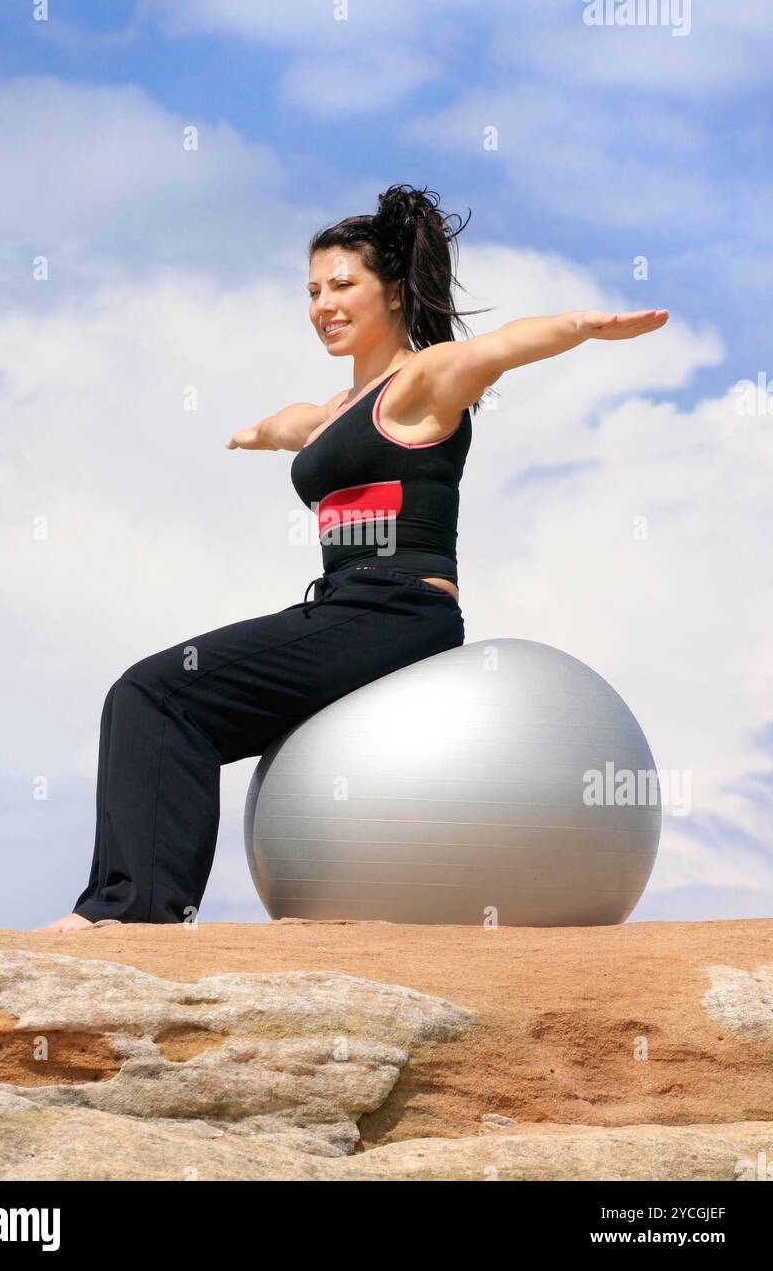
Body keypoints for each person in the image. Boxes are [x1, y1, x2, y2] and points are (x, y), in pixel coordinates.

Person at [34, 183, 668, 931]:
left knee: (157, 694)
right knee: (161, 700)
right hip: (343, 608)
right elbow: (290, 424)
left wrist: (584, 325)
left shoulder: (424, 384)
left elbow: (500, 348)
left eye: (342, 284)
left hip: (400, 607)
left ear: (393, 293)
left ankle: (132, 914)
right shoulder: (335, 412)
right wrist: (252, 434)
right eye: (311, 290)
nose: (322, 304)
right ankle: (134, 906)